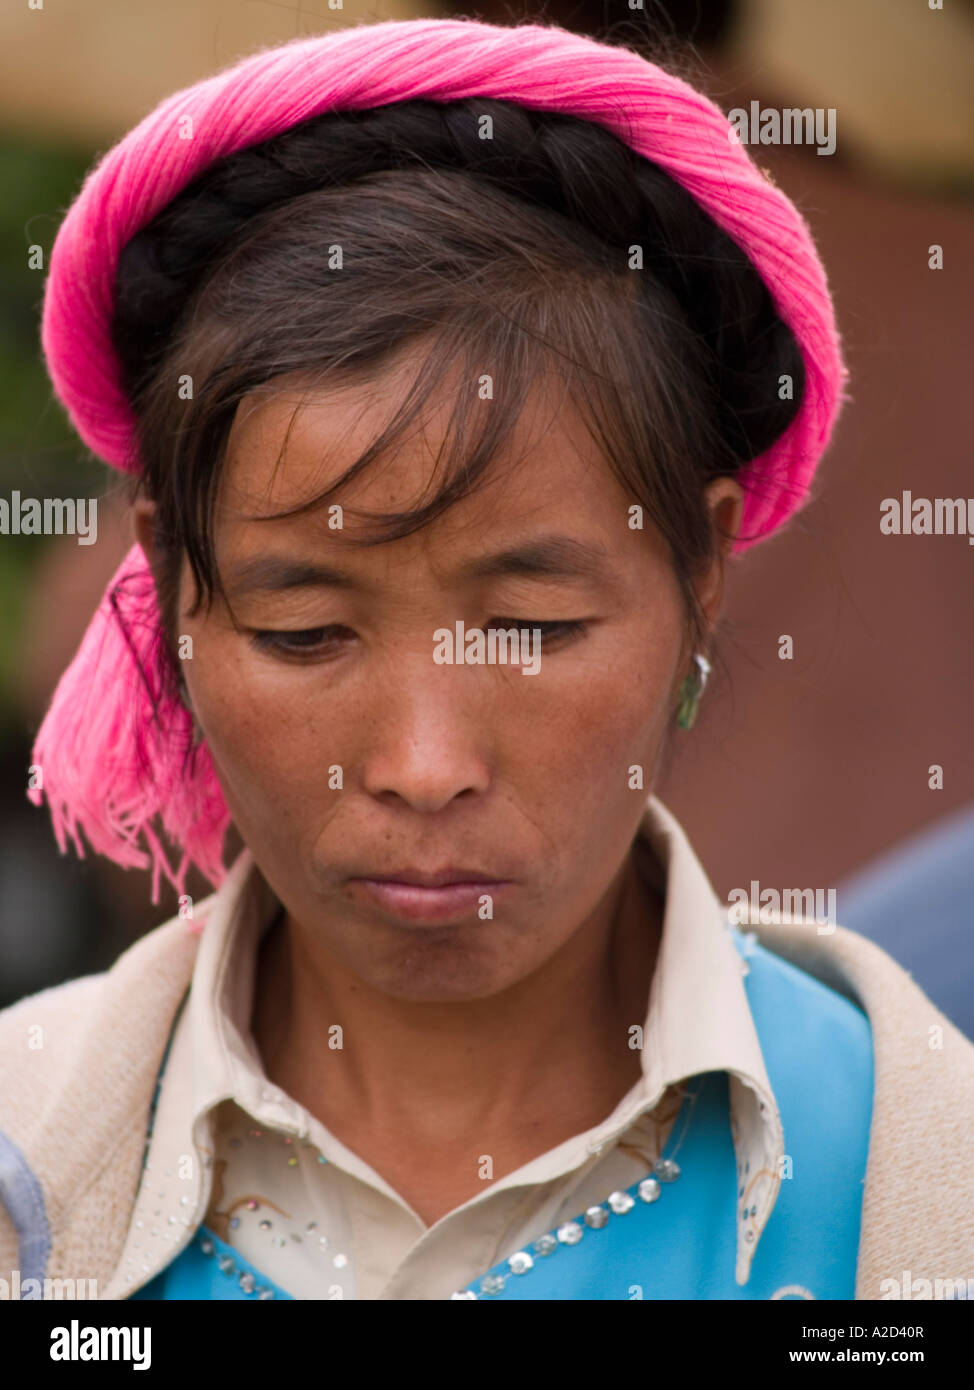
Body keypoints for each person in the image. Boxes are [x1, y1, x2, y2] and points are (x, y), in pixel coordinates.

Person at [2, 18, 972, 1303]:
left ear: (701, 573)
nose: (422, 766)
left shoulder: (911, 1165)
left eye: (532, 630)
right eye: (302, 634)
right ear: (174, 591)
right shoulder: (27, 1164)